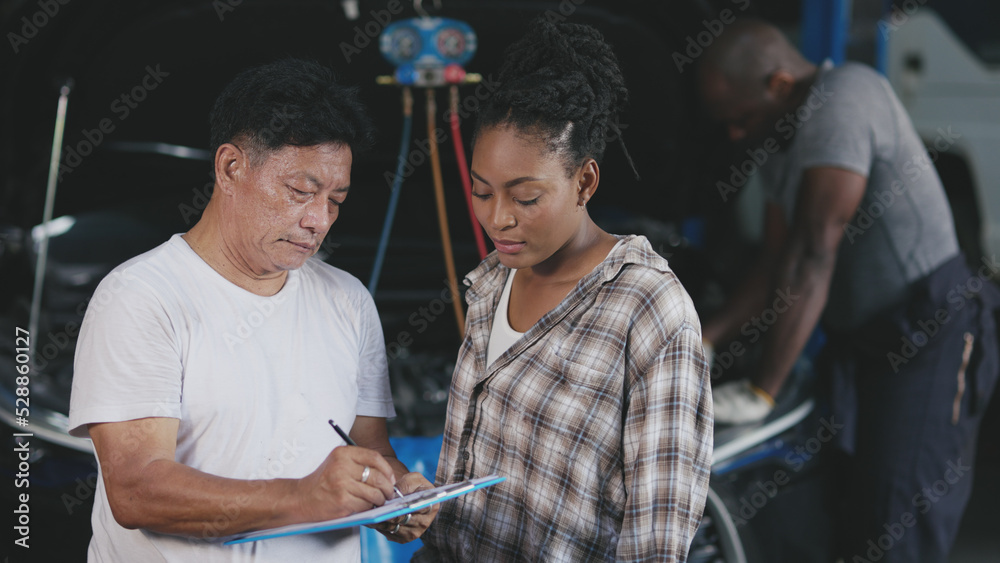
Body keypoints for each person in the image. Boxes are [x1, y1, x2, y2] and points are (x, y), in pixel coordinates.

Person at [67, 58, 437, 561]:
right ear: (230, 167)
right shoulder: (140, 297)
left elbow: (371, 452)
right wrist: (302, 498)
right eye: (300, 192)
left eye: (336, 200)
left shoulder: (348, 300)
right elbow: (136, 490)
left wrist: (397, 496)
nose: (318, 220)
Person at [697, 19, 999, 562]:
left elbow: (814, 252)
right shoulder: (780, 143)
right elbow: (773, 264)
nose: (736, 135)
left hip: (927, 339)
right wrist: (704, 339)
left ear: (780, 85)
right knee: (846, 515)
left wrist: (764, 389)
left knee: (898, 522)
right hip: (860, 344)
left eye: (740, 118)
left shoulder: (845, 99)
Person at [414, 19, 713, 562]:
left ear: (585, 182)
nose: (498, 219)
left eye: (526, 198)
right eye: (482, 192)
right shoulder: (490, 285)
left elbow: (655, 545)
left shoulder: (647, 311)